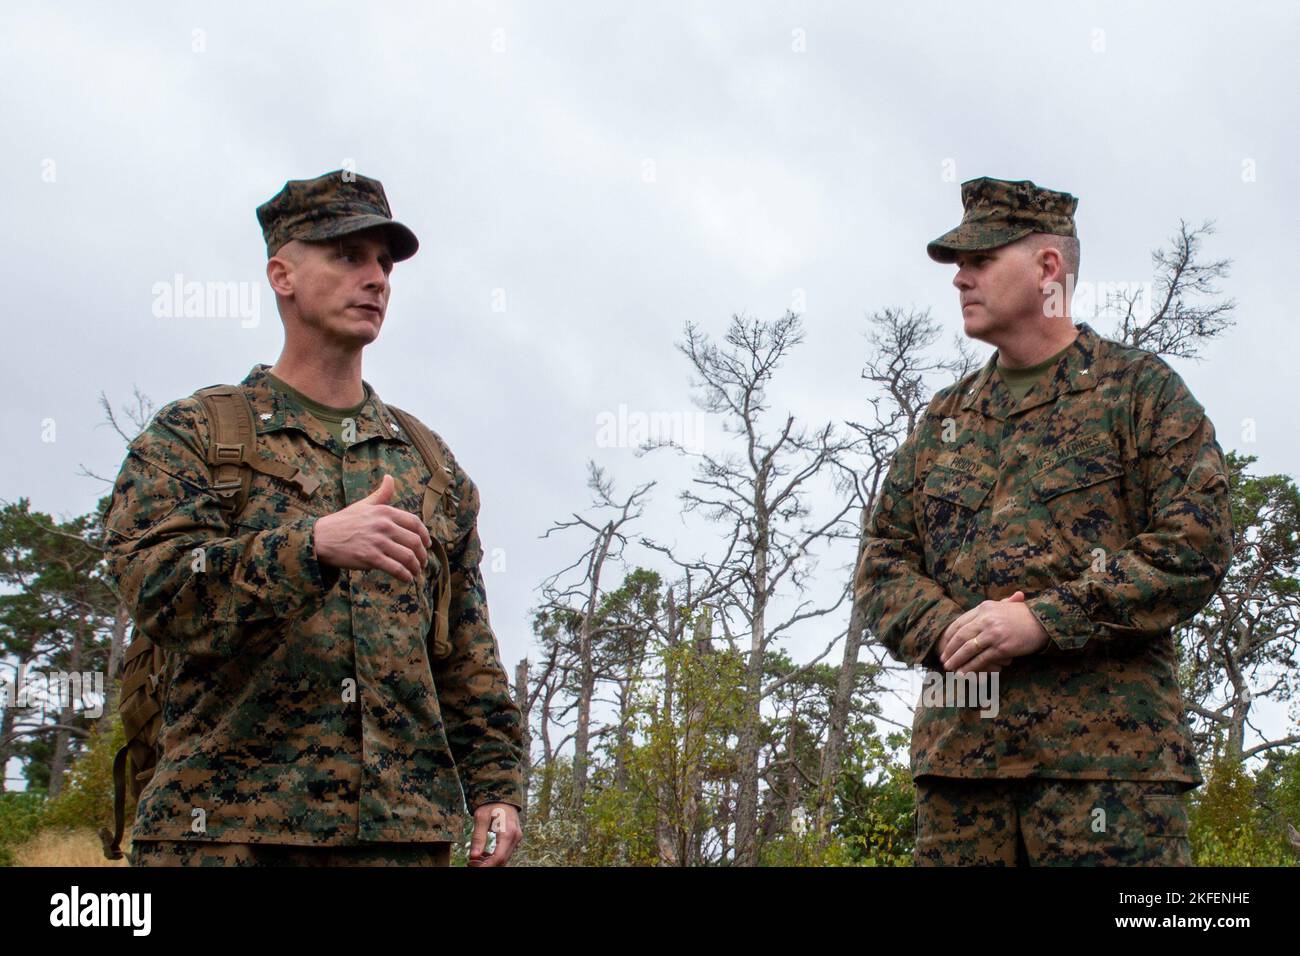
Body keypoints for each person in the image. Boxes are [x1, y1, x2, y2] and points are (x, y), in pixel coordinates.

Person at [104, 170, 525, 867]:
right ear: (283, 274)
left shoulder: (428, 464)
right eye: (348, 256)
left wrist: (496, 789)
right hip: (225, 835)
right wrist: (313, 547)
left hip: (400, 840)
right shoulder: (199, 436)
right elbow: (160, 593)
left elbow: (467, 654)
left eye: (384, 265)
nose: (376, 279)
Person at [853, 177, 1234, 865]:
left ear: (1047, 268)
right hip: (962, 779)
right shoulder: (944, 421)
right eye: (957, 265)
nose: (960, 279)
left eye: (980, 259)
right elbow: (883, 561)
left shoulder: (1141, 393)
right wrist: (946, 630)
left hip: (1108, 781)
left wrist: (1043, 620)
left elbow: (1194, 547)